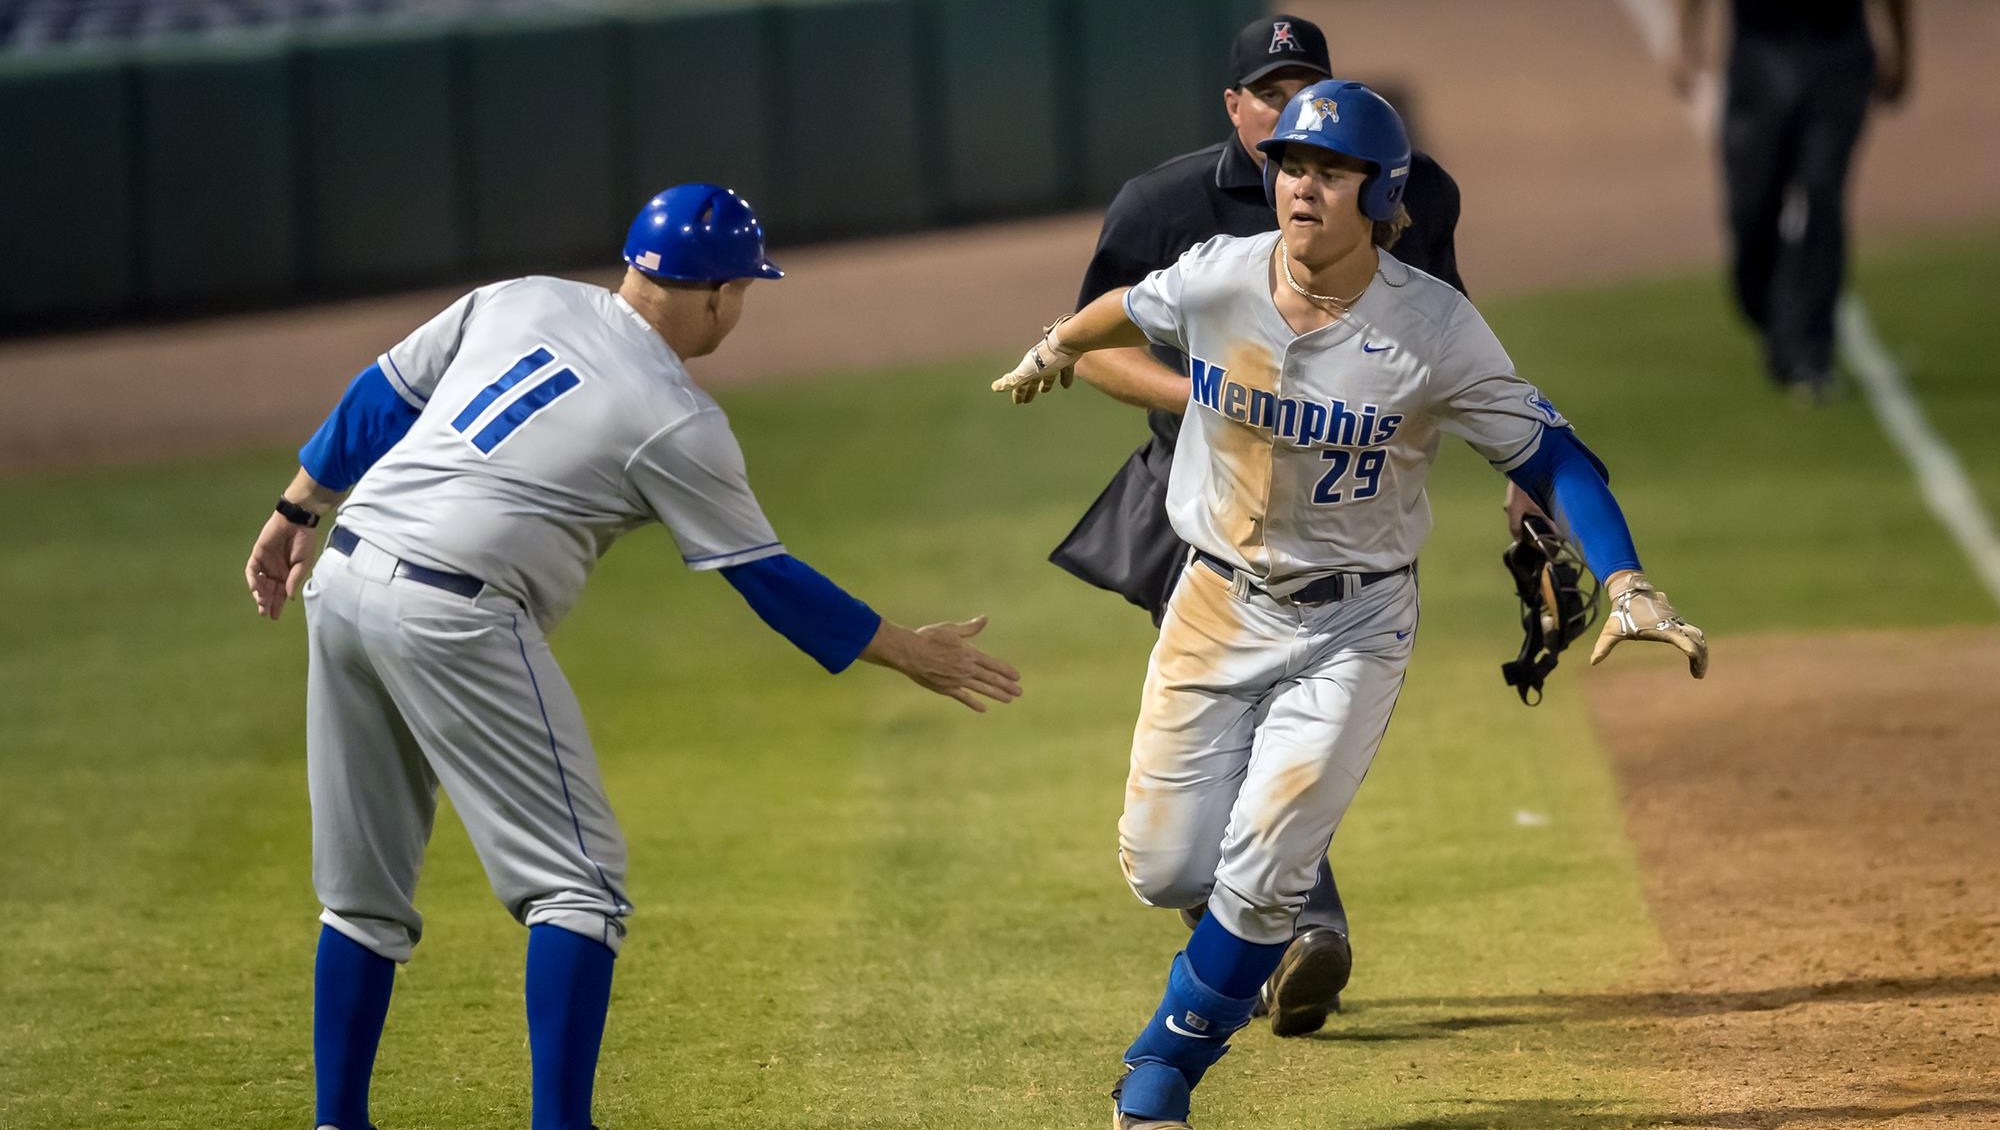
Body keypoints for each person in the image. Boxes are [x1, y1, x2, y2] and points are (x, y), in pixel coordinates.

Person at [993, 82, 1707, 1130]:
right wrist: (1059, 342)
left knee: (1264, 868)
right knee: (1162, 866)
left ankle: (1158, 1076)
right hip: (1208, 603)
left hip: (1348, 628)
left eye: (1331, 172)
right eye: (1290, 165)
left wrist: (1623, 577)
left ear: (1383, 194)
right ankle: (1217, 968)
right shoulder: (1222, 273)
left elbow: (1548, 450)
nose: (1301, 187)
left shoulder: (1432, 329)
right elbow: (1136, 302)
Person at [242, 184, 1022, 1130]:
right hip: (453, 613)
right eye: (744, 289)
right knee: (580, 887)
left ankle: (337, 1121)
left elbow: (383, 396)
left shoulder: (519, 296)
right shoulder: (674, 415)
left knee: (361, 898)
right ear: (712, 294)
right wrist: (908, 651)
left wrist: (295, 508)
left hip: (346, 576)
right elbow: (766, 577)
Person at [1047, 12, 1468, 1036]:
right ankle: (1276, 926)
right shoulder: (1162, 206)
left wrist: (1521, 474)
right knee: (1214, 733)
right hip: (1193, 497)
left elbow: (1447, 325)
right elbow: (1089, 343)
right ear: (1232, 105)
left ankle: (1271, 933)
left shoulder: (1405, 188)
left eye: (1305, 85)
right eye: (1268, 93)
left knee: (1288, 714)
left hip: (1338, 511)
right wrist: (1209, 394)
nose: (1288, 110)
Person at [1673, 0, 1911, 400]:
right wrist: (1687, 41)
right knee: (1752, 203)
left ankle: (1810, 352)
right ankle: (1770, 310)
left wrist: (1901, 49)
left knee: (1822, 191)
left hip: (1839, 49)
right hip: (1760, 52)